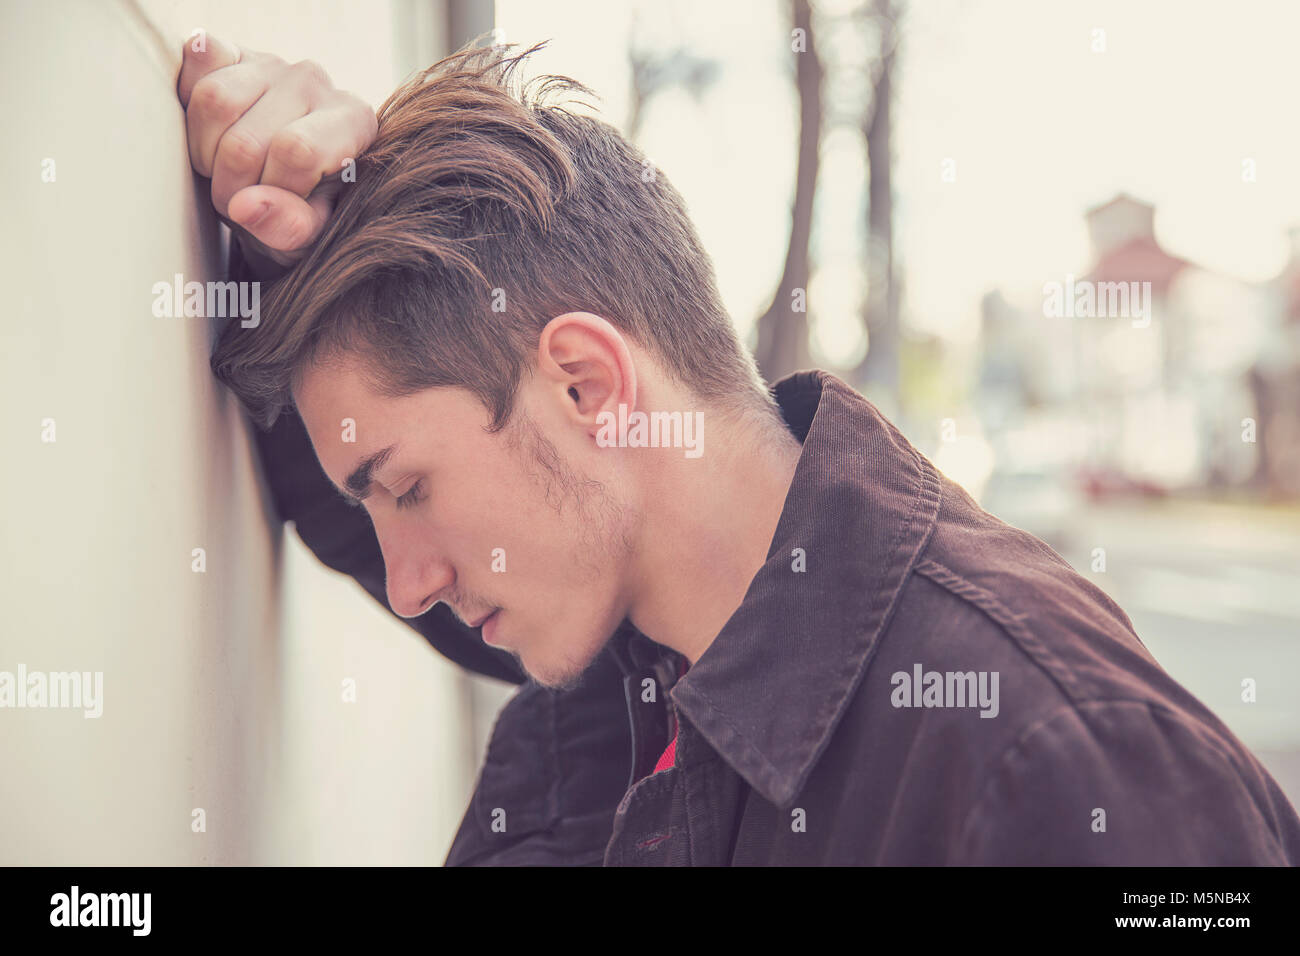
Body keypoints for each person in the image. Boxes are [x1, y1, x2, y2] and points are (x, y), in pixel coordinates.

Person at [177, 35, 1300, 865]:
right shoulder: (649, 648)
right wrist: (284, 235)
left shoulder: (1068, 760)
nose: (409, 578)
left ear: (588, 383)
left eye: (408, 489)